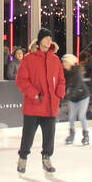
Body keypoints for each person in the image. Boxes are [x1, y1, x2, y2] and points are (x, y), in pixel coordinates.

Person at [15, 28, 65, 174]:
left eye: (50, 38)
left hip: (50, 106)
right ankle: (22, 159)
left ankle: (46, 158)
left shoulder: (55, 60)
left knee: (49, 136)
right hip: (34, 106)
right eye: (46, 38)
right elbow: (21, 80)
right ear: (39, 41)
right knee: (28, 135)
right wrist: (34, 94)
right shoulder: (28, 59)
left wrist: (59, 95)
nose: (49, 40)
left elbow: (61, 80)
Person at [62, 52, 91, 146]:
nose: (64, 64)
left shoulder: (77, 73)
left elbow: (76, 86)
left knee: (81, 115)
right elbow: (64, 85)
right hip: (73, 98)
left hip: (83, 96)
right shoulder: (65, 72)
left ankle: (86, 135)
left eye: (65, 62)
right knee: (71, 116)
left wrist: (67, 97)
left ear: (70, 62)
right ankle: (71, 134)